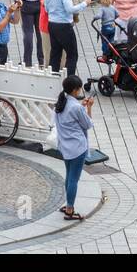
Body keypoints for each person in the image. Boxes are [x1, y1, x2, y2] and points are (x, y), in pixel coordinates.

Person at [54, 75, 95, 222]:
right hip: (78, 148)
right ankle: (70, 209)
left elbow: (70, 118)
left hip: (65, 147)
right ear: (74, 90)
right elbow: (88, 124)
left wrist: (82, 108)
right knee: (74, 179)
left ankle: (67, 204)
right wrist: (88, 107)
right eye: (79, 89)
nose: (80, 91)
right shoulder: (76, 107)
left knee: (69, 176)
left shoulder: (60, 104)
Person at [44, 0, 91, 76]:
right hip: (64, 26)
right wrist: (84, 4)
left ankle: (53, 81)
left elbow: (46, 8)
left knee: (55, 54)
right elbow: (70, 9)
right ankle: (70, 83)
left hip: (52, 24)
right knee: (72, 55)